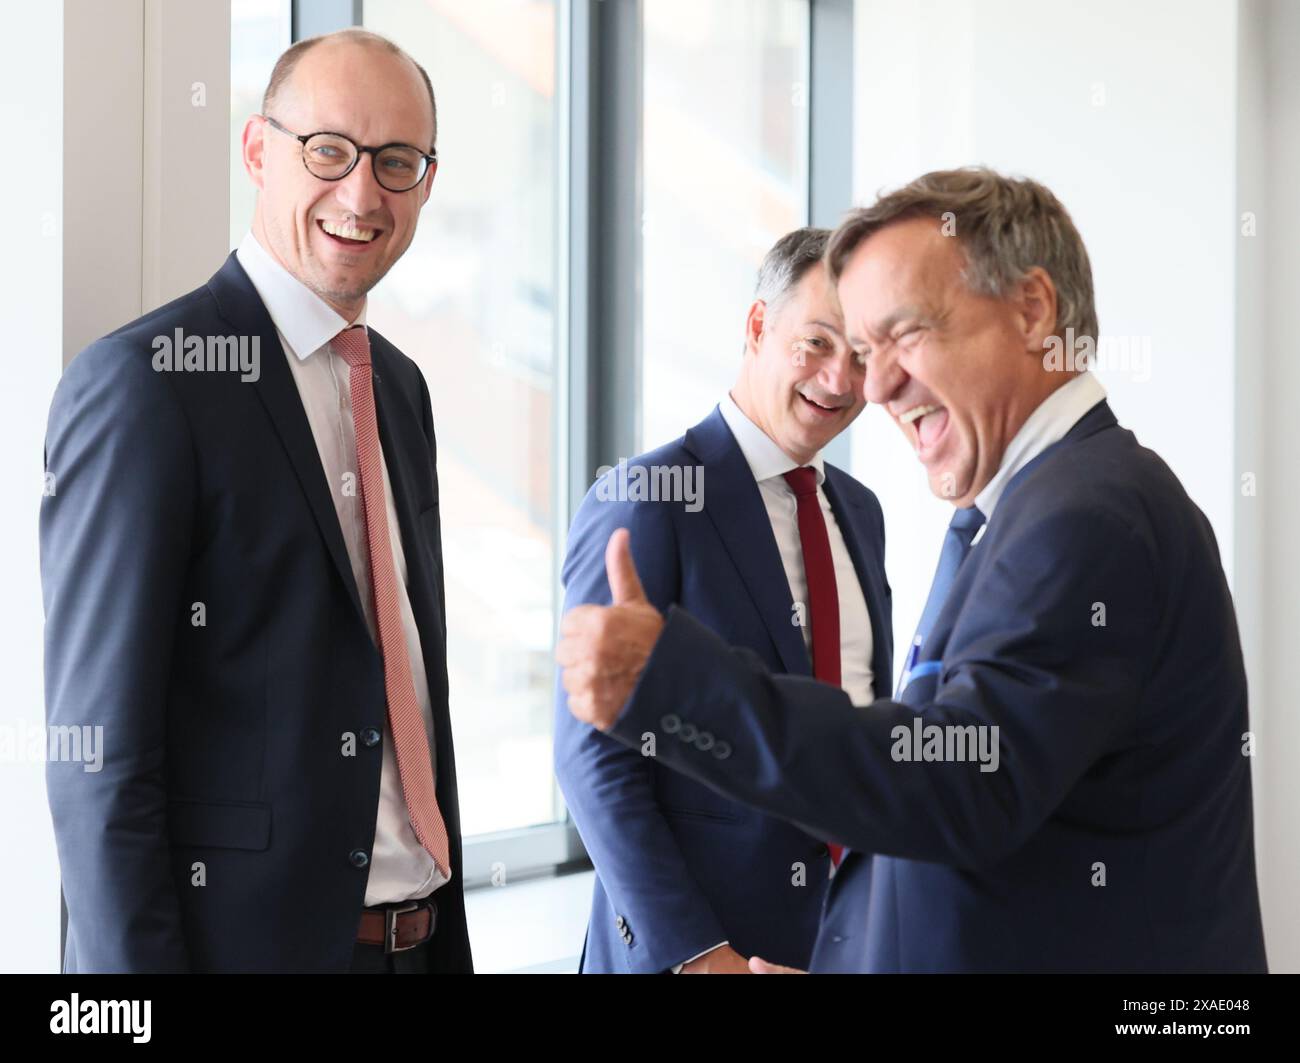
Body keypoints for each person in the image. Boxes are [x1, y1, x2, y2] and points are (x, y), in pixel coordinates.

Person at [557, 168, 1268, 973]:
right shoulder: (1032, 507)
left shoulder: (1083, 516)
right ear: (758, 327)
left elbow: (956, 778)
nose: (874, 384)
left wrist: (678, 683)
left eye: (903, 336)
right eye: (857, 349)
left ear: (1032, 309)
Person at [41, 28, 471, 973]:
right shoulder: (148, 384)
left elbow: (406, 690)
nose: (362, 195)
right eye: (328, 151)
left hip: (417, 942)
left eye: (396, 163)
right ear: (255, 151)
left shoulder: (398, 388)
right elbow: (98, 763)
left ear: (426, 183)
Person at [554, 228, 891, 973]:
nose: (839, 379)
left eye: (863, 356)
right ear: (757, 326)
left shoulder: (861, 513)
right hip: (701, 954)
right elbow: (590, 756)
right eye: (817, 343)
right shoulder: (648, 496)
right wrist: (701, 955)